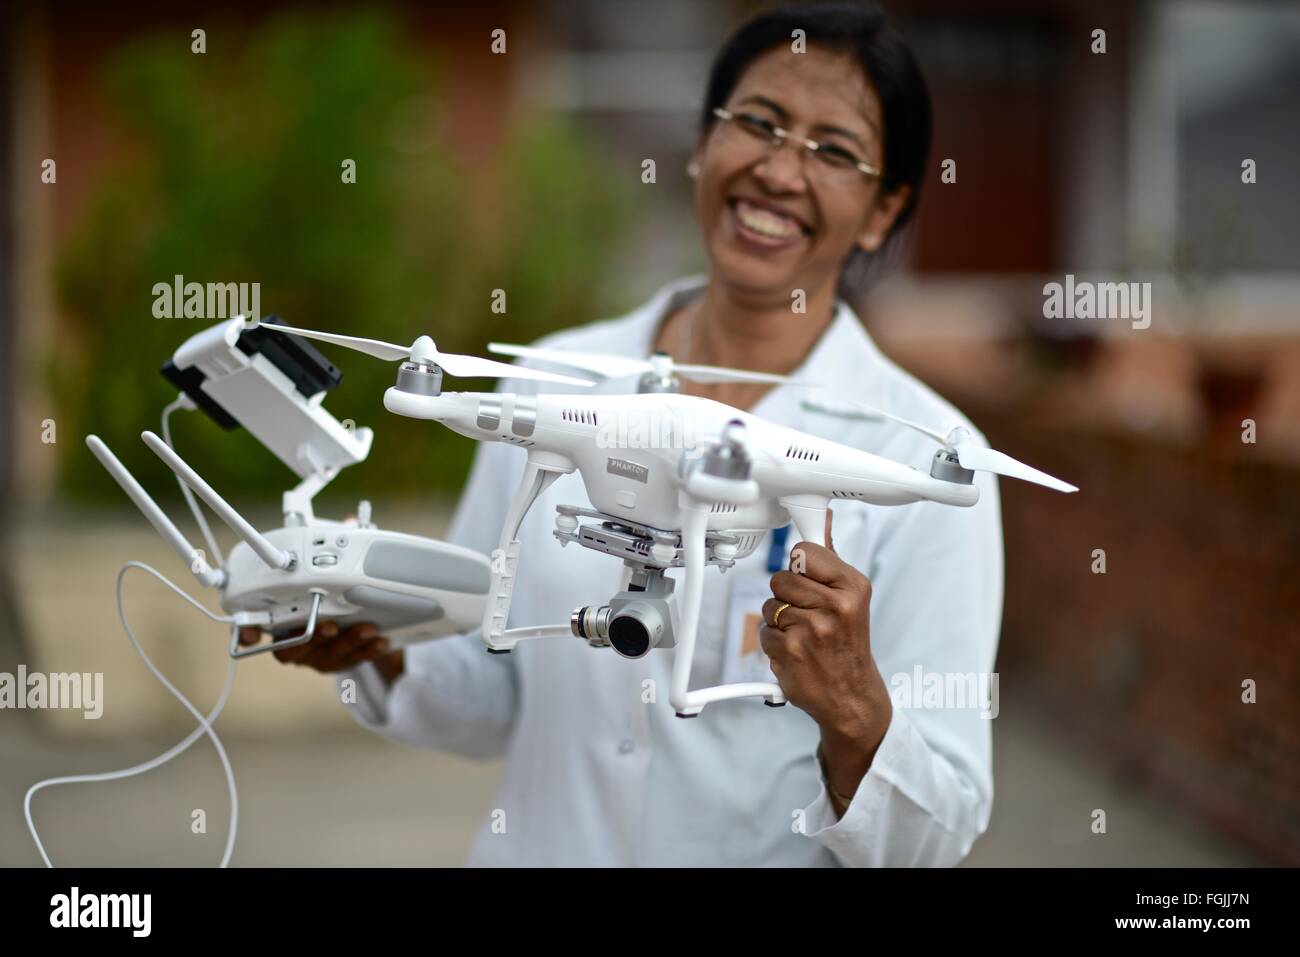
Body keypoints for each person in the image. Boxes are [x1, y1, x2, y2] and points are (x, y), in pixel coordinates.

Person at [241, 2, 1003, 866]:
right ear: (701, 145)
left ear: (881, 210)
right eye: (757, 123)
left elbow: (937, 833)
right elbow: (490, 689)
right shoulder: (550, 382)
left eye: (833, 151)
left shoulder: (926, 459)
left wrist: (856, 712)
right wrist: (370, 653)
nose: (780, 171)